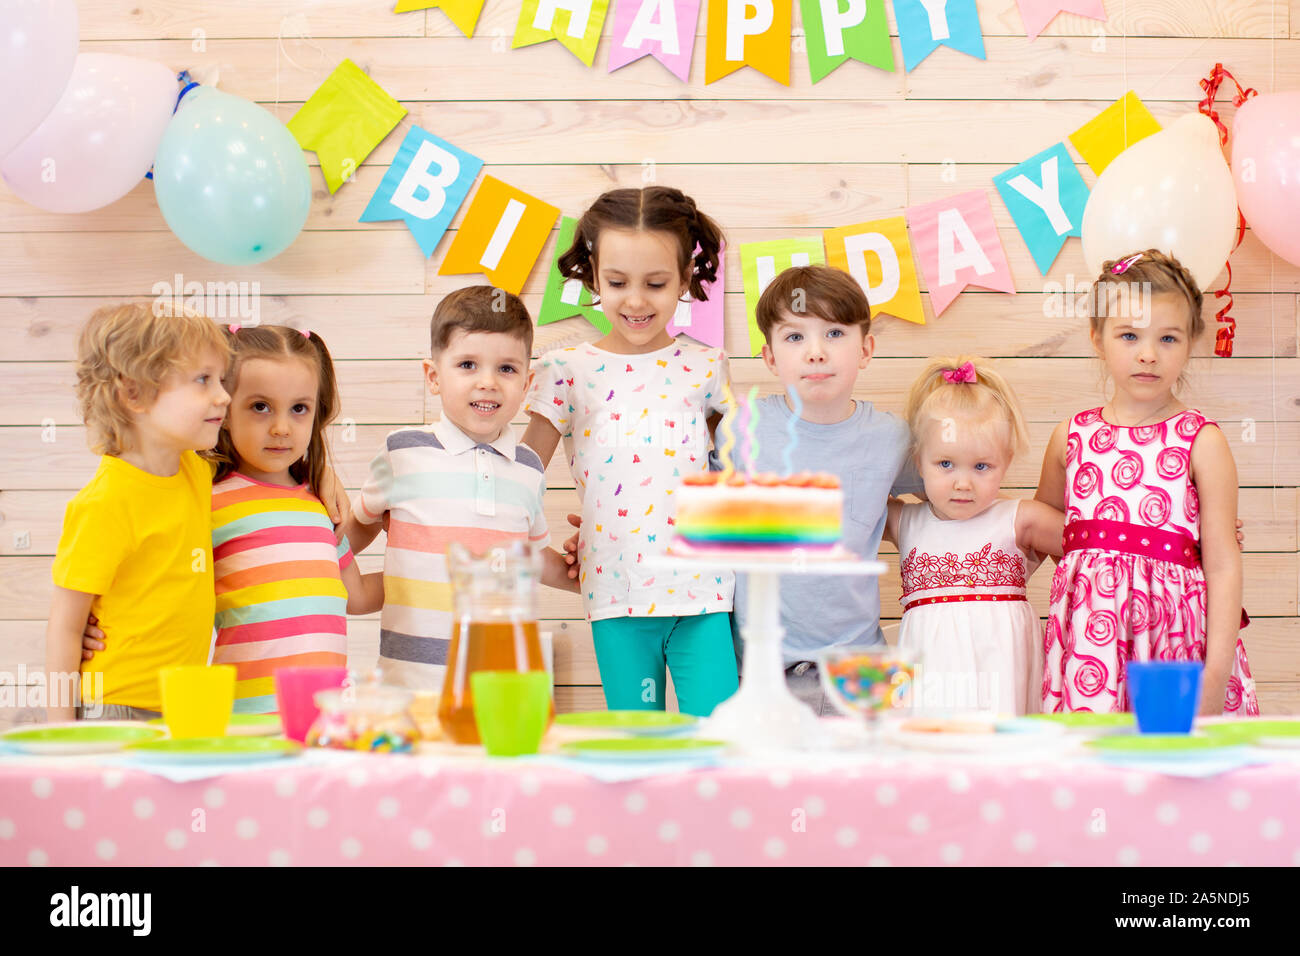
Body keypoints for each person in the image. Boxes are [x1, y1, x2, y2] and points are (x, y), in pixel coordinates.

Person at [521, 186, 738, 716]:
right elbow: (520, 479)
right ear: (593, 277)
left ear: (685, 279)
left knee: (721, 741)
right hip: (615, 593)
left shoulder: (707, 366)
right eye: (617, 282)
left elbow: (731, 473)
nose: (635, 300)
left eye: (656, 283)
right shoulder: (565, 371)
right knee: (636, 740)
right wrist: (550, 553)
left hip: (703, 593)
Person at [1035, 250, 1259, 715]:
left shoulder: (1202, 441)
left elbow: (1222, 565)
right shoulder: (1070, 437)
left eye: (1168, 338)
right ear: (1098, 338)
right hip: (1089, 649)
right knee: (1095, 773)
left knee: (1173, 771)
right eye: (1129, 335)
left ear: (1192, 342)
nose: (1148, 354)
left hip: (1176, 649)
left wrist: (1214, 675)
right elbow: (1045, 533)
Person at [342, 286, 577, 691]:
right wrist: (321, 558)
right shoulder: (404, 452)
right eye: (468, 365)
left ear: (526, 384)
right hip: (409, 680)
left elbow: (534, 555)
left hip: (499, 683)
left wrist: (583, 571)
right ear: (434, 377)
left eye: (506, 369)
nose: (488, 383)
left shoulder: (528, 468)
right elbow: (361, 523)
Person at [719, 265, 925, 716]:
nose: (815, 353)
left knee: (875, 782)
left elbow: (950, 496)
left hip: (861, 666)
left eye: (834, 333)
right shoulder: (740, 430)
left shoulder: (892, 439)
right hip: (759, 672)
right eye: (794, 338)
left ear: (866, 349)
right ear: (770, 358)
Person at [46, 303, 231, 721]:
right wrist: (61, 732)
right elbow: (65, 627)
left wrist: (323, 475)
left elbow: (272, 452)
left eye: (220, 378)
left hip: (178, 707)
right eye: (203, 379)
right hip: (115, 708)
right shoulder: (105, 502)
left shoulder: (195, 469)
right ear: (134, 394)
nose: (224, 395)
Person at [203, 325, 382, 713]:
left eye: (298, 408)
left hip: (325, 715)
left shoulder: (321, 505)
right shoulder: (207, 502)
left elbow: (359, 596)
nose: (281, 427)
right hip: (246, 718)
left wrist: (429, 570)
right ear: (225, 411)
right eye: (260, 406)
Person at [885, 357, 1064, 715]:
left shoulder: (1020, 519)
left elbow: (1101, 548)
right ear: (918, 461)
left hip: (1002, 686)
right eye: (945, 464)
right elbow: (849, 494)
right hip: (928, 688)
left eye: (982, 466)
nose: (963, 483)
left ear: (1006, 461)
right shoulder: (903, 521)